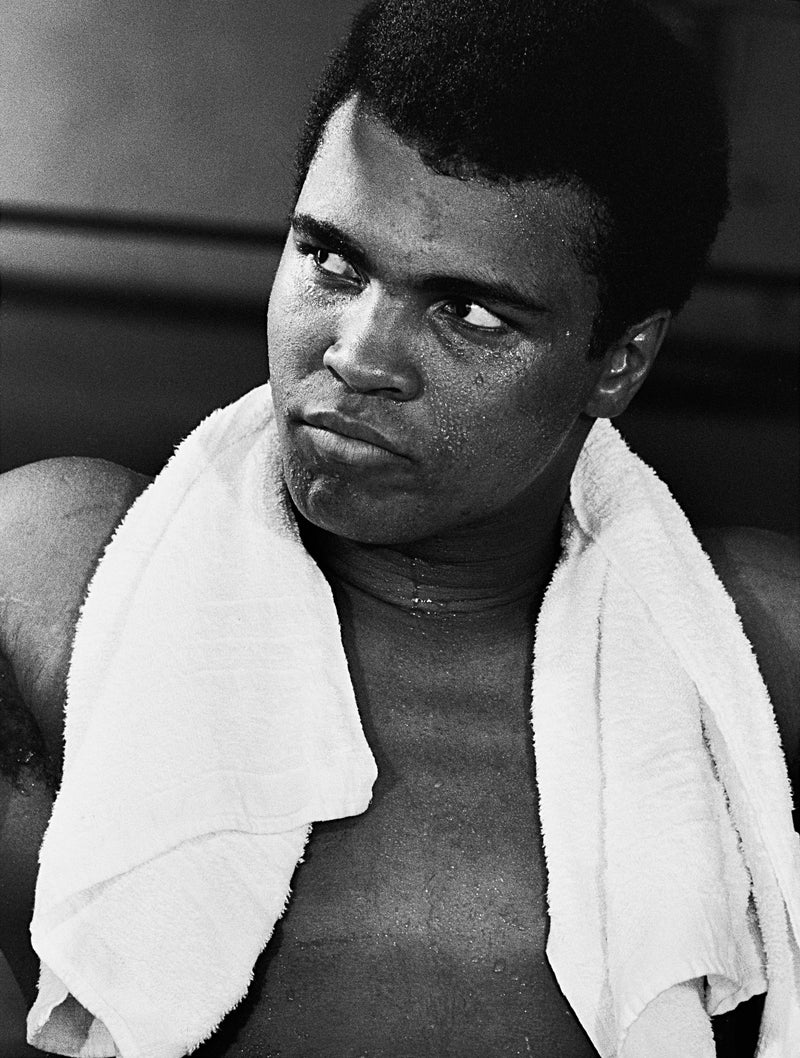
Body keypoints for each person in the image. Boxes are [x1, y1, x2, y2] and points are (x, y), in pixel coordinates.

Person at [1, 1, 798, 1056]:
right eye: (332, 261)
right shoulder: (56, 578)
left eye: (468, 312)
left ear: (619, 361)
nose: (358, 355)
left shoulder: (755, 656)